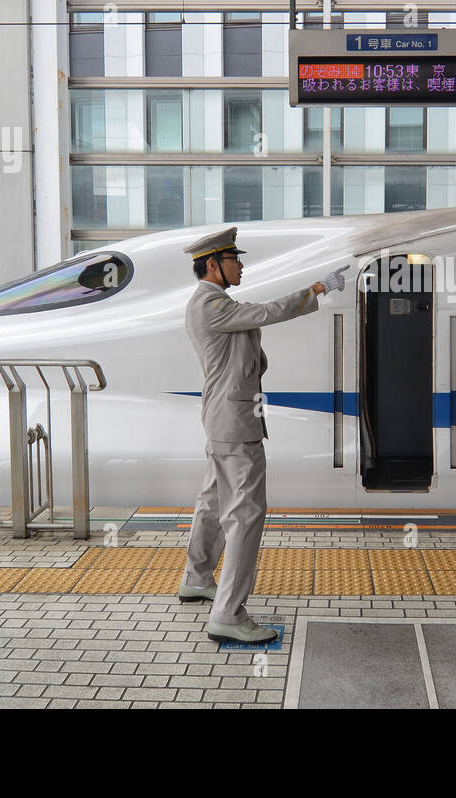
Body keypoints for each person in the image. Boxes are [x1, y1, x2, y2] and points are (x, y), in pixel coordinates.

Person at [177, 226, 348, 644]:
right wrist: (318, 288)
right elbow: (268, 312)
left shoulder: (212, 302)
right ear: (213, 264)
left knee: (213, 501)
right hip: (235, 423)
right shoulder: (211, 304)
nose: (241, 266)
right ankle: (228, 614)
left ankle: (197, 578)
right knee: (246, 513)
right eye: (234, 259)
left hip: (223, 420)